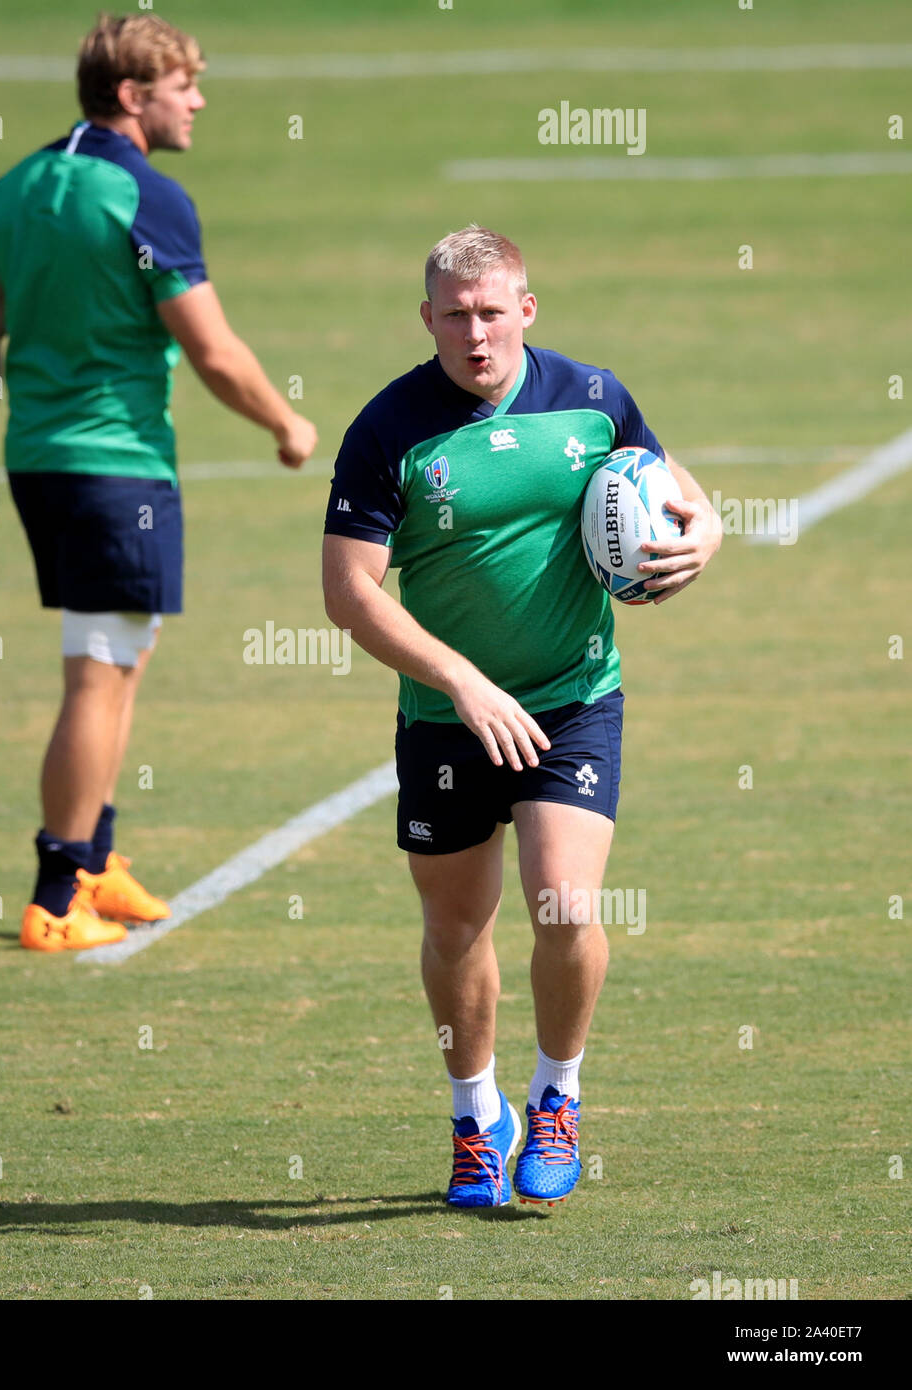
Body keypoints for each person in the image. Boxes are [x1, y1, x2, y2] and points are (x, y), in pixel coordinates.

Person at [322, 226, 721, 1206]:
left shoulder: (591, 398)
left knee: (564, 904)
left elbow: (669, 481)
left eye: (493, 311)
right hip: (447, 721)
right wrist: (461, 681)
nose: (476, 333)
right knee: (458, 928)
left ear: (527, 310)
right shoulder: (388, 430)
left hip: (572, 700)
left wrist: (707, 528)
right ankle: (473, 1117)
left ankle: (556, 1096)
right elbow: (349, 591)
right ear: (427, 320)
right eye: (454, 315)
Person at [0, 13, 317, 952]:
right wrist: (286, 421)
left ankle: (99, 860)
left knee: (121, 660)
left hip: (39, 461)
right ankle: (56, 892)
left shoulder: (15, 186)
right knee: (97, 674)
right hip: (117, 471)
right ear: (130, 96)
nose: (197, 100)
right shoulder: (148, 198)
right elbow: (213, 350)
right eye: (182, 85)